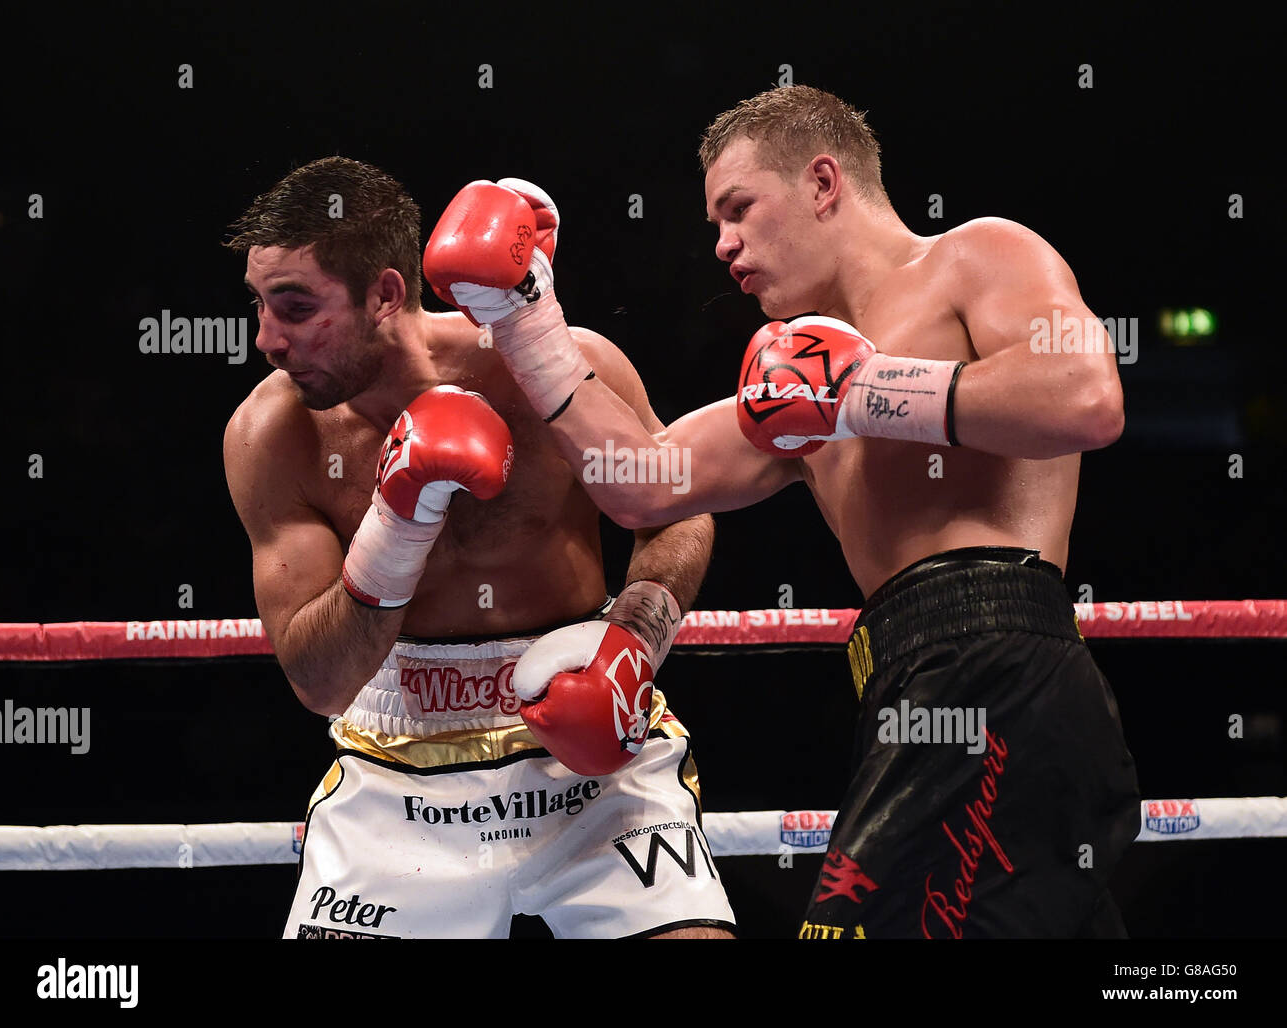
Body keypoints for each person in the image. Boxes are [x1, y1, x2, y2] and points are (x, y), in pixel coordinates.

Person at [432, 85, 1140, 939]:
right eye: (714, 226)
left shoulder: (974, 257)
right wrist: (526, 320)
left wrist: (866, 390)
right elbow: (642, 483)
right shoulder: (791, 384)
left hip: (996, 668)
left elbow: (1087, 397)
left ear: (822, 182)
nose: (724, 246)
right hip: (907, 679)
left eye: (739, 210)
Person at [221, 157, 735, 939]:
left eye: (295, 308)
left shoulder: (551, 370)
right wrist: (400, 517)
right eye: (258, 307)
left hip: (589, 759)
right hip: (397, 766)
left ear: (386, 294)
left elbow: (676, 513)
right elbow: (319, 681)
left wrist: (634, 640)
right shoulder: (272, 437)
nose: (268, 340)